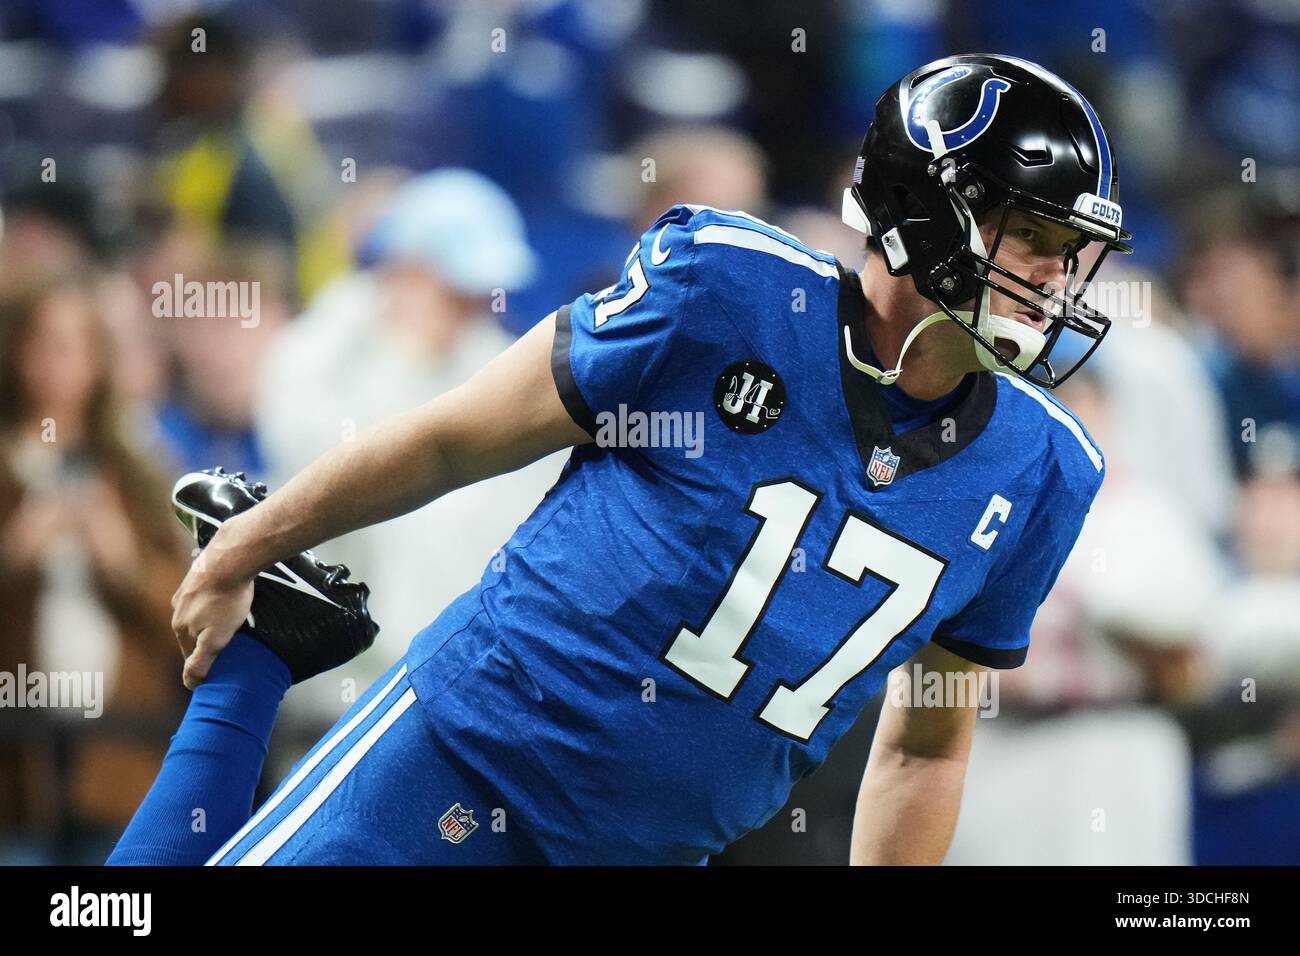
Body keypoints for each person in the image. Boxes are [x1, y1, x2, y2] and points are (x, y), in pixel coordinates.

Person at [111, 54, 1133, 865]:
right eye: (1032, 234)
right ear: (923, 210)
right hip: (459, 765)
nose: (1055, 275)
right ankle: (256, 660)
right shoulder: (727, 289)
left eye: (1070, 250)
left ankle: (261, 655)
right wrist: (250, 538)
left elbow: (924, 739)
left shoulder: (1039, 469)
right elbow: (458, 432)